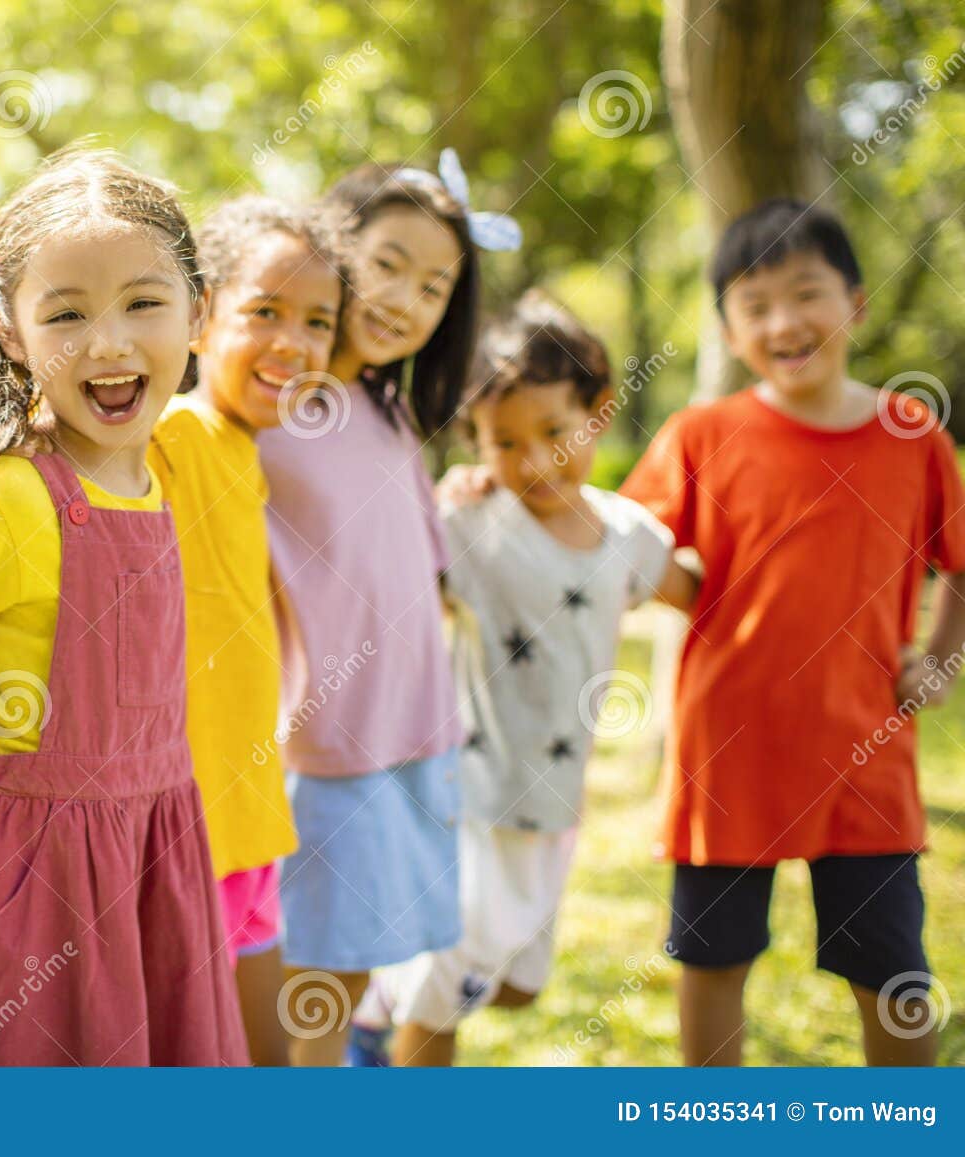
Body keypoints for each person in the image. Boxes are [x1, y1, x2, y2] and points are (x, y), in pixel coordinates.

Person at [0, 147, 247, 1065]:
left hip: (153, 866)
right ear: (9, 332)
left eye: (143, 302)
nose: (108, 342)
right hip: (31, 895)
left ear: (198, 313)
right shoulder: (9, 502)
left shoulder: (164, 469)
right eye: (65, 313)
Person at [621, 198, 965, 1066]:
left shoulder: (910, 431)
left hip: (865, 751)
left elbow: (959, 561)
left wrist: (941, 656)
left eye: (805, 292)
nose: (784, 321)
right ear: (730, 331)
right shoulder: (700, 433)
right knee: (712, 957)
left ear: (855, 301)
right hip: (729, 749)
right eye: (754, 304)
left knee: (893, 970)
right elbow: (638, 555)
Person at [357, 291, 697, 1066]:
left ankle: (379, 1001)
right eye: (504, 442)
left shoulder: (626, 535)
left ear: (600, 412)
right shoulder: (469, 525)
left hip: (554, 803)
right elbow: (381, 576)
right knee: (448, 995)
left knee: (516, 987)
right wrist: (432, 501)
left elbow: (699, 588)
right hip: (466, 799)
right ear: (475, 442)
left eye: (554, 431)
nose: (534, 459)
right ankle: (380, 1047)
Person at [257, 152, 518, 1065]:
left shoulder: (391, 413)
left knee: (362, 970)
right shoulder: (267, 400)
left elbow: (400, 563)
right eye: (389, 263)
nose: (406, 297)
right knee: (308, 988)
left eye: (436, 285)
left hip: (413, 734)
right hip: (322, 745)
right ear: (334, 246)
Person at [147, 195, 343, 1064]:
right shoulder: (175, 433)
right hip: (188, 832)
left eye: (318, 322)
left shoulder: (240, 448)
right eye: (264, 311)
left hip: (245, 821)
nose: (294, 342)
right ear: (201, 317)